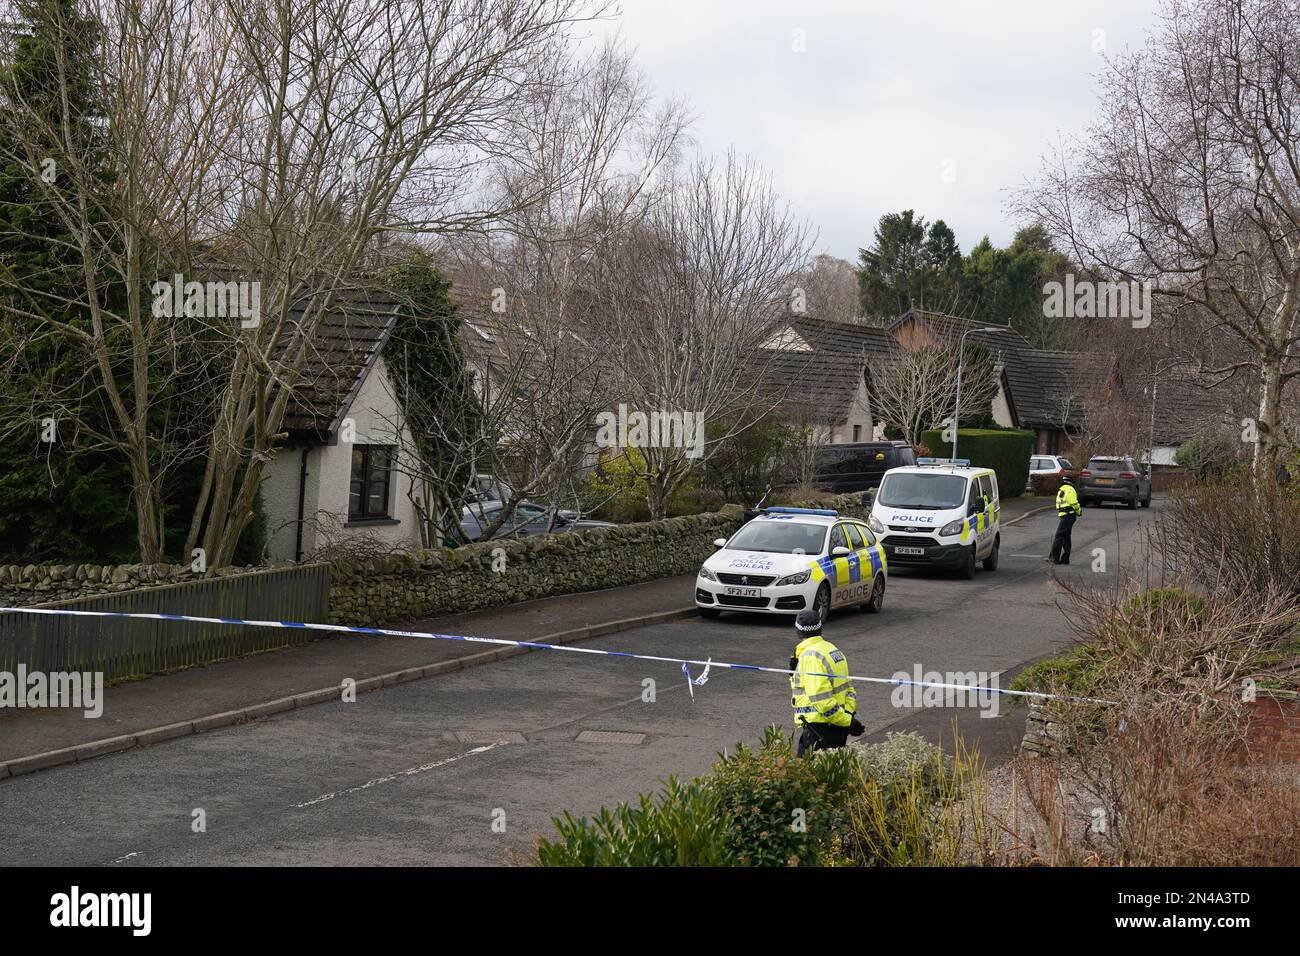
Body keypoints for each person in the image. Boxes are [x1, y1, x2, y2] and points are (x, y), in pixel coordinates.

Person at [789, 609, 864, 756]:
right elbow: (848, 689)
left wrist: (847, 721)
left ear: (798, 631)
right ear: (820, 627)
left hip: (820, 728)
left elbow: (821, 700)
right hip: (836, 726)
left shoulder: (810, 656)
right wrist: (847, 716)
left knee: (806, 775)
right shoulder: (833, 650)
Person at [1050, 473, 1082, 565]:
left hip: (1067, 515)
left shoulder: (1065, 490)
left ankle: (1054, 558)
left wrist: (1078, 511)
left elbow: (1074, 503)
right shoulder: (1068, 489)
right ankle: (1065, 559)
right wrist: (1078, 512)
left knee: (1059, 536)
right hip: (1068, 515)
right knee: (1066, 537)